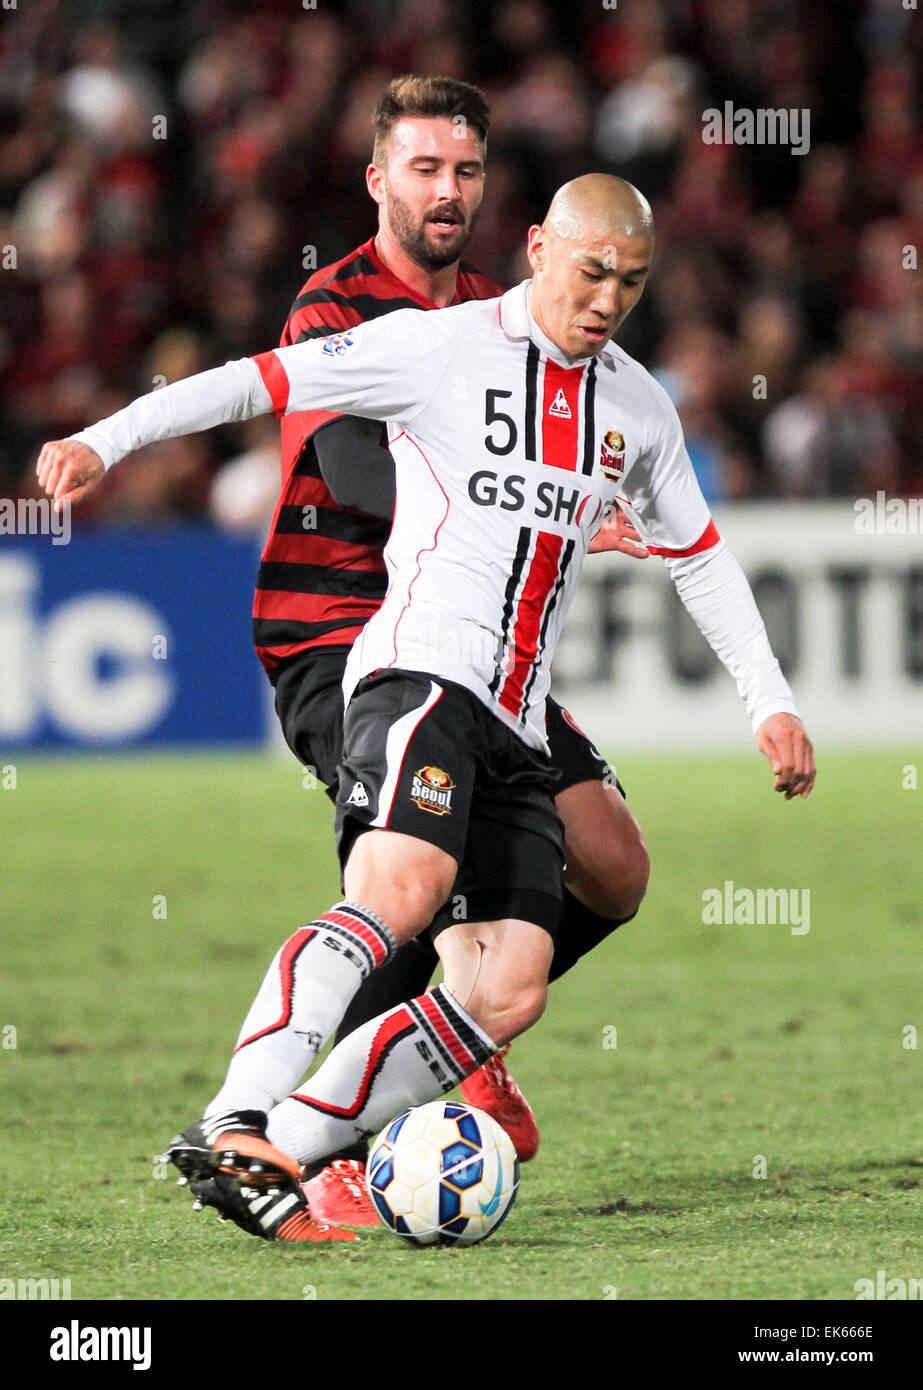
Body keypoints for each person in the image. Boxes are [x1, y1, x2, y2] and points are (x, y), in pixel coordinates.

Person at [37, 171, 816, 1246]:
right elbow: (256, 381)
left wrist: (768, 703)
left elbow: (700, 557)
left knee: (506, 988)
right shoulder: (439, 344)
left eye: (630, 284)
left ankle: (287, 1155)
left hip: (522, 718)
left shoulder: (636, 407)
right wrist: (104, 441)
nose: (605, 299)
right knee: (402, 887)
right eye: (591, 270)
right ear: (539, 245)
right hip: (421, 674)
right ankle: (234, 1114)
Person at [254, 75, 650, 1224]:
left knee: (612, 863)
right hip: (337, 640)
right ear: (378, 179)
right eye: (422, 169)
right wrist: (547, 496)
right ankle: (313, 1145)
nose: (445, 191)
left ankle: (455, 1042)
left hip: (480, 655)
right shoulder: (332, 308)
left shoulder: (501, 304)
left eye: (466, 171)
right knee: (402, 885)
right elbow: (354, 471)